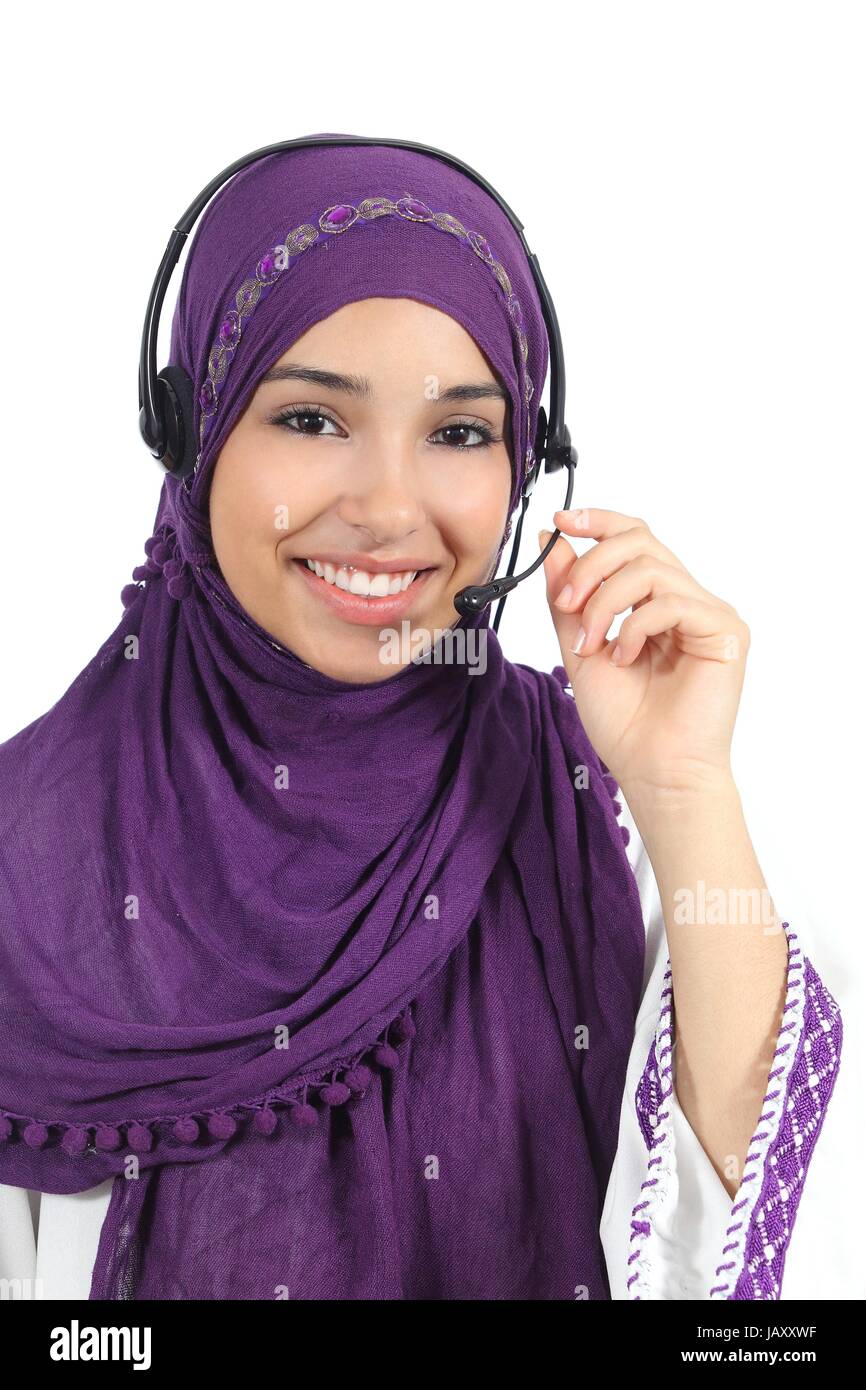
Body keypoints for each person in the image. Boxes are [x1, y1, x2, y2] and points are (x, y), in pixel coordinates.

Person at [0, 137, 844, 1300]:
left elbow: (748, 1274)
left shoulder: (601, 805)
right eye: (308, 418)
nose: (387, 508)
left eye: (458, 433)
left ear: (526, 465)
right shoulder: (25, 854)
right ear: (189, 436)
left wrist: (684, 788)